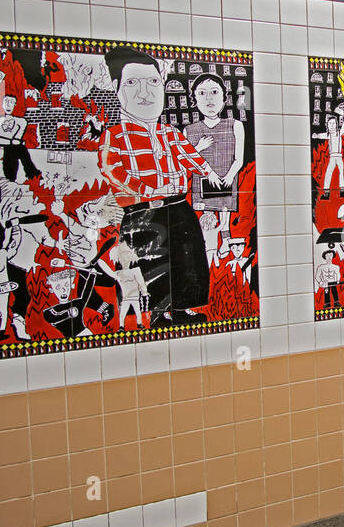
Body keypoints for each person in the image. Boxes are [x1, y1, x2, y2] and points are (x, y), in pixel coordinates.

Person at [99, 46, 217, 326]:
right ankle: (158, 312)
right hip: (142, 211)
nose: (146, 93)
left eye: (153, 82)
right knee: (152, 263)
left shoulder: (169, 132)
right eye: (132, 83)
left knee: (188, 257)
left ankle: (183, 308)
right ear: (117, 89)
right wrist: (143, 189)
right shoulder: (115, 135)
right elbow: (111, 170)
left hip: (178, 206)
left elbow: (188, 155)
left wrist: (208, 171)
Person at [185, 72, 245, 241]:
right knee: (207, 222)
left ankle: (226, 246)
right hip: (202, 184)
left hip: (226, 181)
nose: (208, 98)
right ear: (195, 99)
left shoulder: (235, 125)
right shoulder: (189, 130)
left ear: (224, 98)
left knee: (225, 221)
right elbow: (186, 160)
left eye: (214, 92)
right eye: (202, 93)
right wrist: (198, 147)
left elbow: (238, 159)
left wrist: (230, 176)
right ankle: (210, 250)